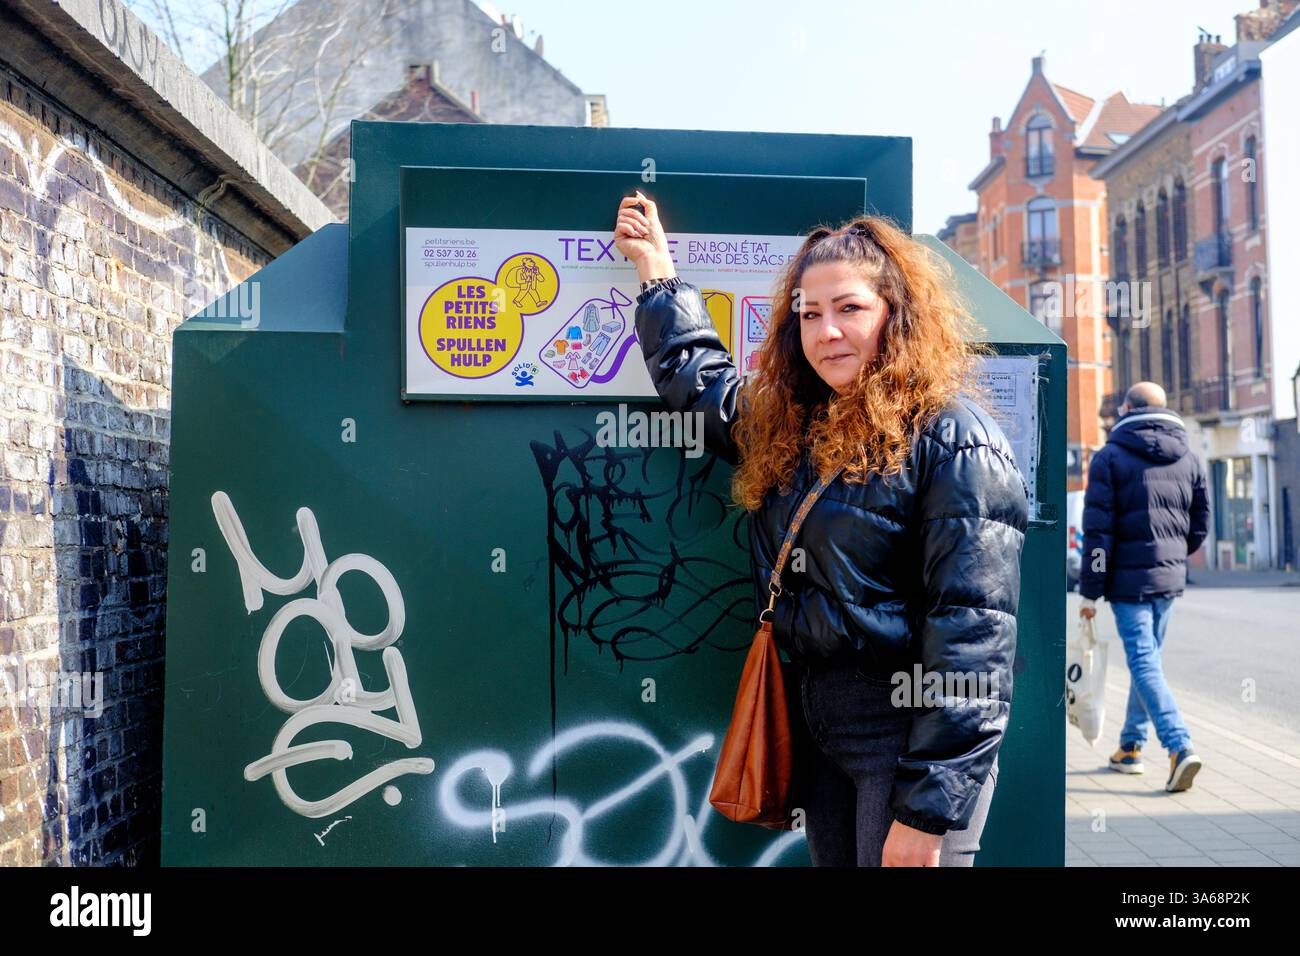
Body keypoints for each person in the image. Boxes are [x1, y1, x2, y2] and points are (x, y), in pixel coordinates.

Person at [613, 191, 1029, 866]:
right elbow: (701, 383)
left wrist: (927, 816)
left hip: (908, 744)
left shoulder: (954, 437)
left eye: (850, 309)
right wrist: (657, 271)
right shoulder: (794, 424)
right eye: (809, 314)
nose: (826, 330)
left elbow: (974, 641)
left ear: (897, 315)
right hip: (824, 735)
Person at [1079, 381, 1209, 792]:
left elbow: (1098, 533)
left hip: (1127, 583)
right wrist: (1173, 557)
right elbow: (1200, 523)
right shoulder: (1189, 456)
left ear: (1128, 409)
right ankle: (1131, 747)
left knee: (1143, 661)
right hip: (1169, 579)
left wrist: (1090, 590)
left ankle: (1179, 746)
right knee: (1147, 661)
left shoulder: (1109, 457)